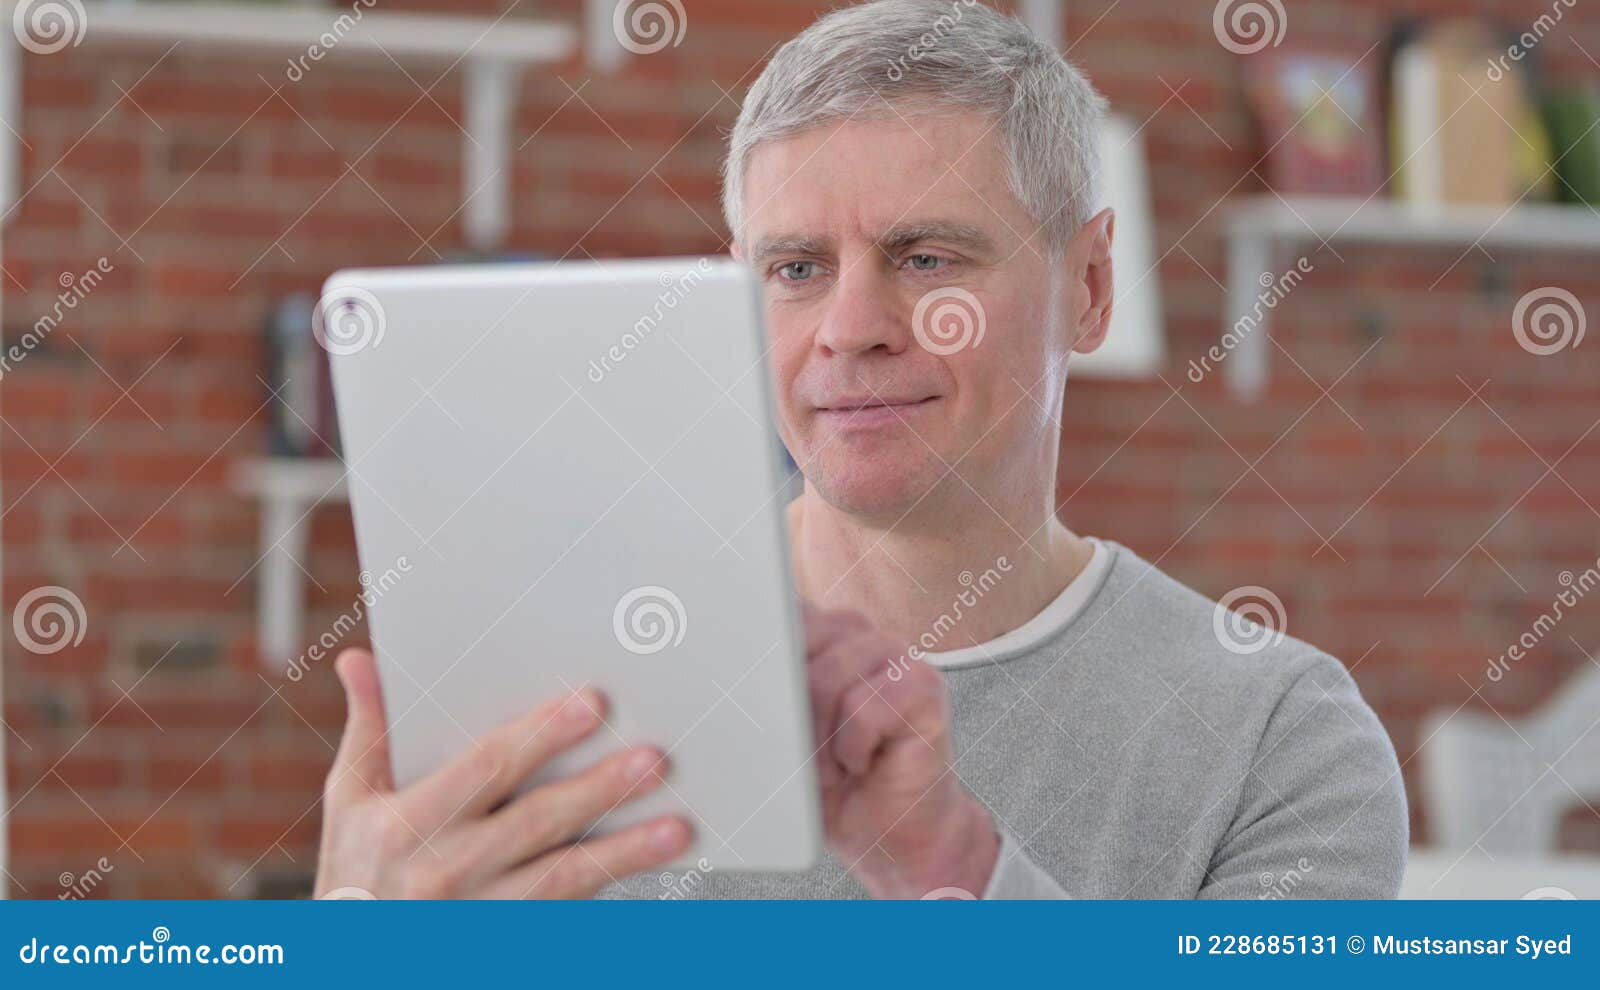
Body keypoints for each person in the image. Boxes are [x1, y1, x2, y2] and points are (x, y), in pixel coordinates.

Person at [313, 0, 1407, 900]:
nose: (850, 327)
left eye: (926, 257)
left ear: (1088, 284)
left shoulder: (1276, 740)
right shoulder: (542, 684)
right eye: (794, 269)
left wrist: (952, 868)